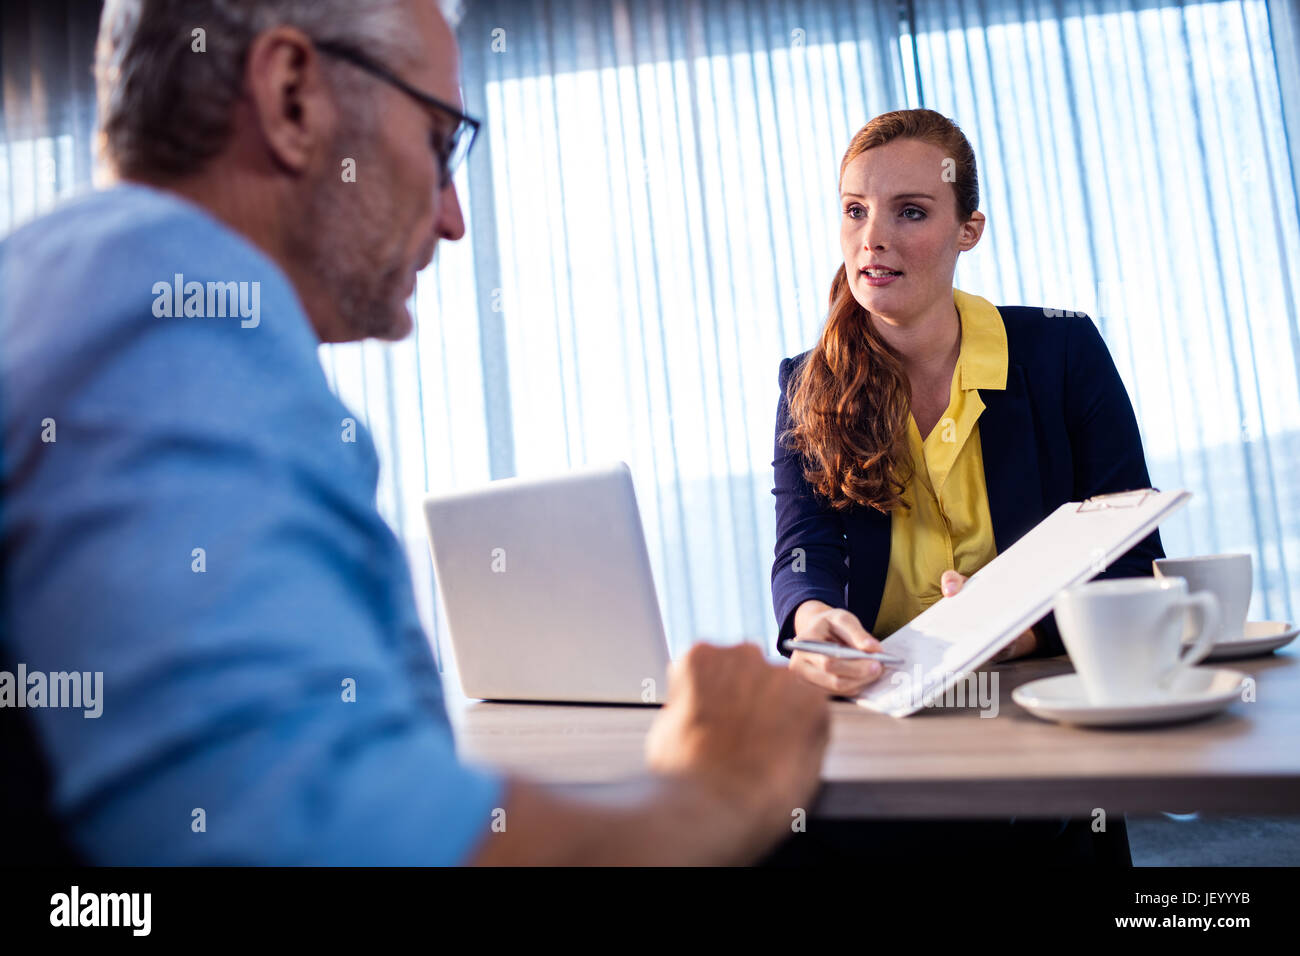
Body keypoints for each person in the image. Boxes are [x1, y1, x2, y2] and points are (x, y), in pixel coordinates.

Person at [0, 0, 830, 866]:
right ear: (293, 98)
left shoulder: (71, 289)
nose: (451, 216)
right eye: (440, 144)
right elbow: (320, 847)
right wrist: (720, 785)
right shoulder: (161, 308)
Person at [766, 109, 1163, 864]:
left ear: (967, 230)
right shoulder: (805, 384)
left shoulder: (1061, 351)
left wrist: (1028, 630)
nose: (871, 238)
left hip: (1039, 719)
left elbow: (1131, 560)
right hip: (882, 727)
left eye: (909, 212)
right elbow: (801, 553)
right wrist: (811, 620)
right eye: (855, 211)